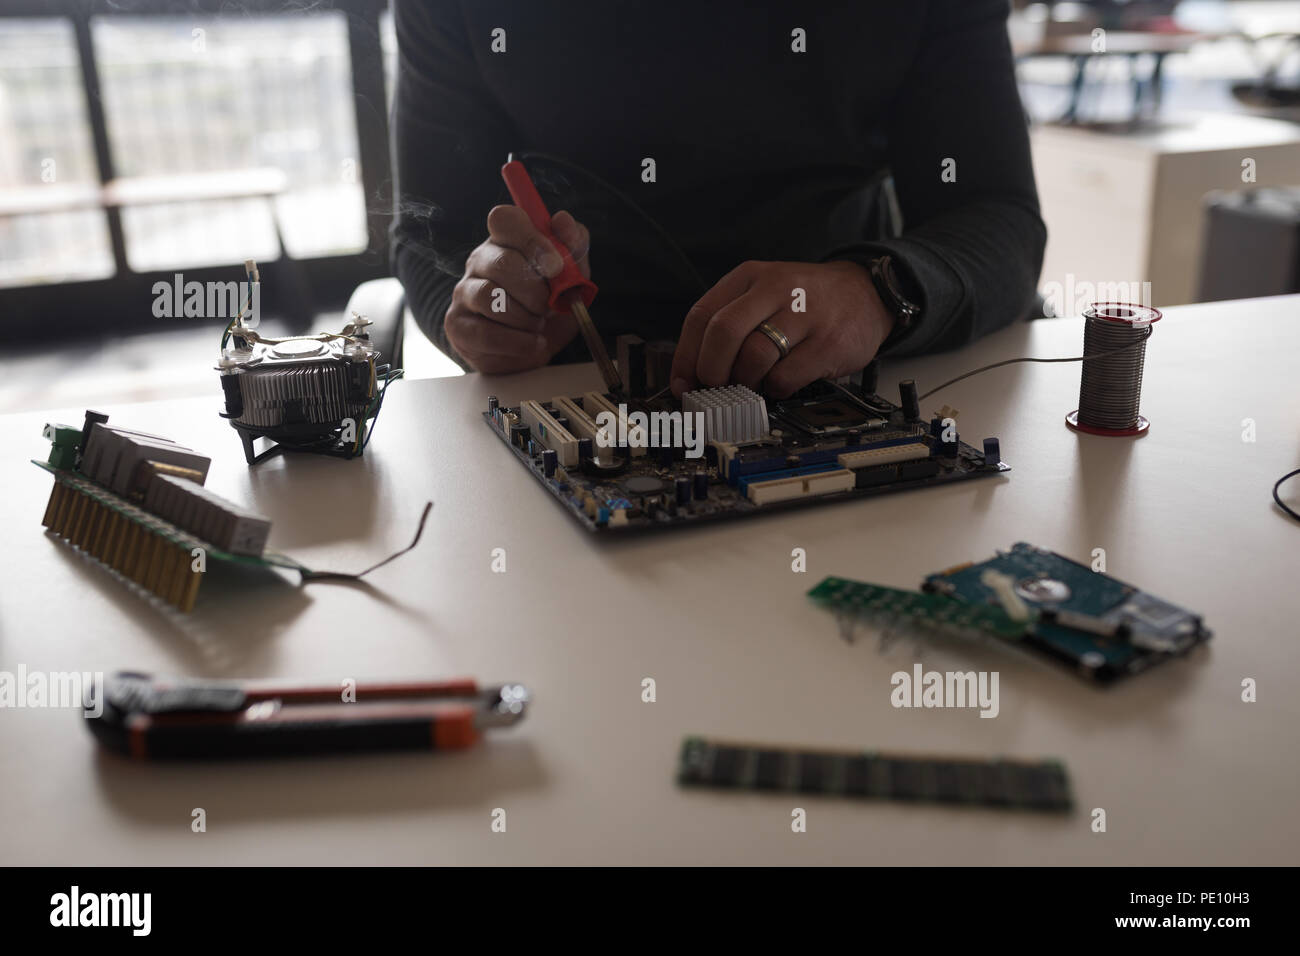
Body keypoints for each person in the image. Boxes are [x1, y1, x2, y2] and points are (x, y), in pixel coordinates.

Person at [391, 1, 1045, 399]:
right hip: (576, 377)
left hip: (849, 366)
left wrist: (880, 290)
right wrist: (491, 312)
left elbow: (998, 216)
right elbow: (431, 230)